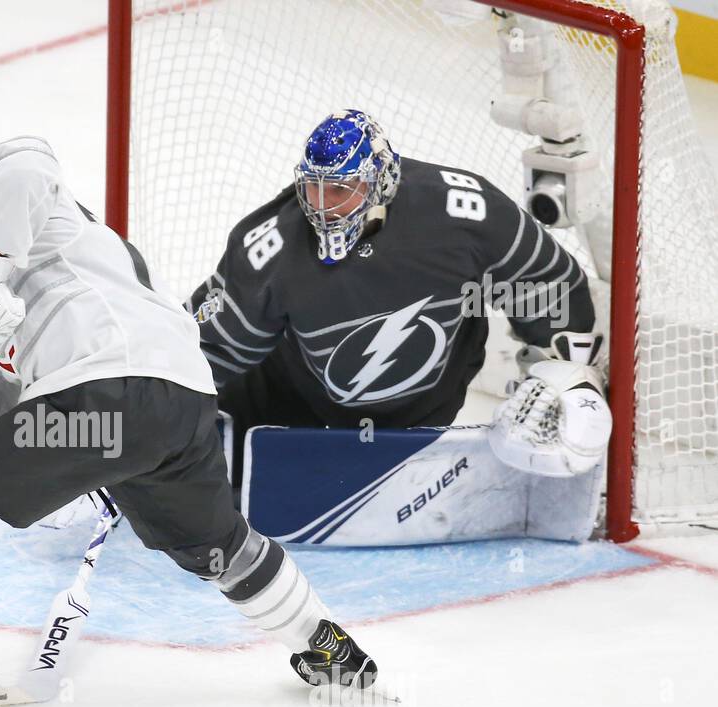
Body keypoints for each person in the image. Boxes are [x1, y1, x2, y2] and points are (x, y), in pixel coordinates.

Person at [0, 124, 377, 692]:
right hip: (178, 407)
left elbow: (24, 157)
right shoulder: (38, 258)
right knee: (217, 544)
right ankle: (327, 646)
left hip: (105, 402)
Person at [190, 109, 612, 486]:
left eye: (339, 189)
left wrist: (562, 374)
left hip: (421, 419)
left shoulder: (462, 212)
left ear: (379, 182)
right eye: (313, 188)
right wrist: (148, 417)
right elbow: (206, 346)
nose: (320, 206)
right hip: (295, 405)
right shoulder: (273, 245)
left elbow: (547, 281)